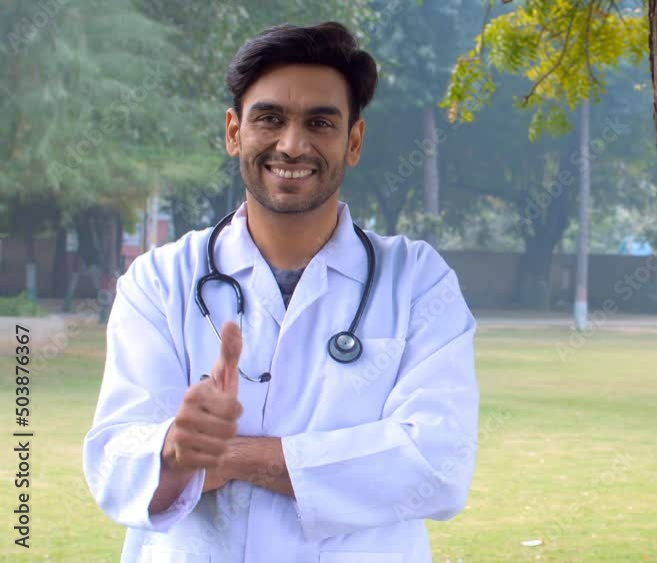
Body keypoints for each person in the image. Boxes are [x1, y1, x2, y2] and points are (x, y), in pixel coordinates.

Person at [83, 22, 479, 563]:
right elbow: (113, 460)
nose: (292, 145)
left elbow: (437, 462)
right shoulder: (159, 281)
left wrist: (236, 456)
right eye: (269, 118)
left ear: (353, 141)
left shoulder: (416, 282)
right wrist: (177, 448)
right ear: (233, 132)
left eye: (320, 122)